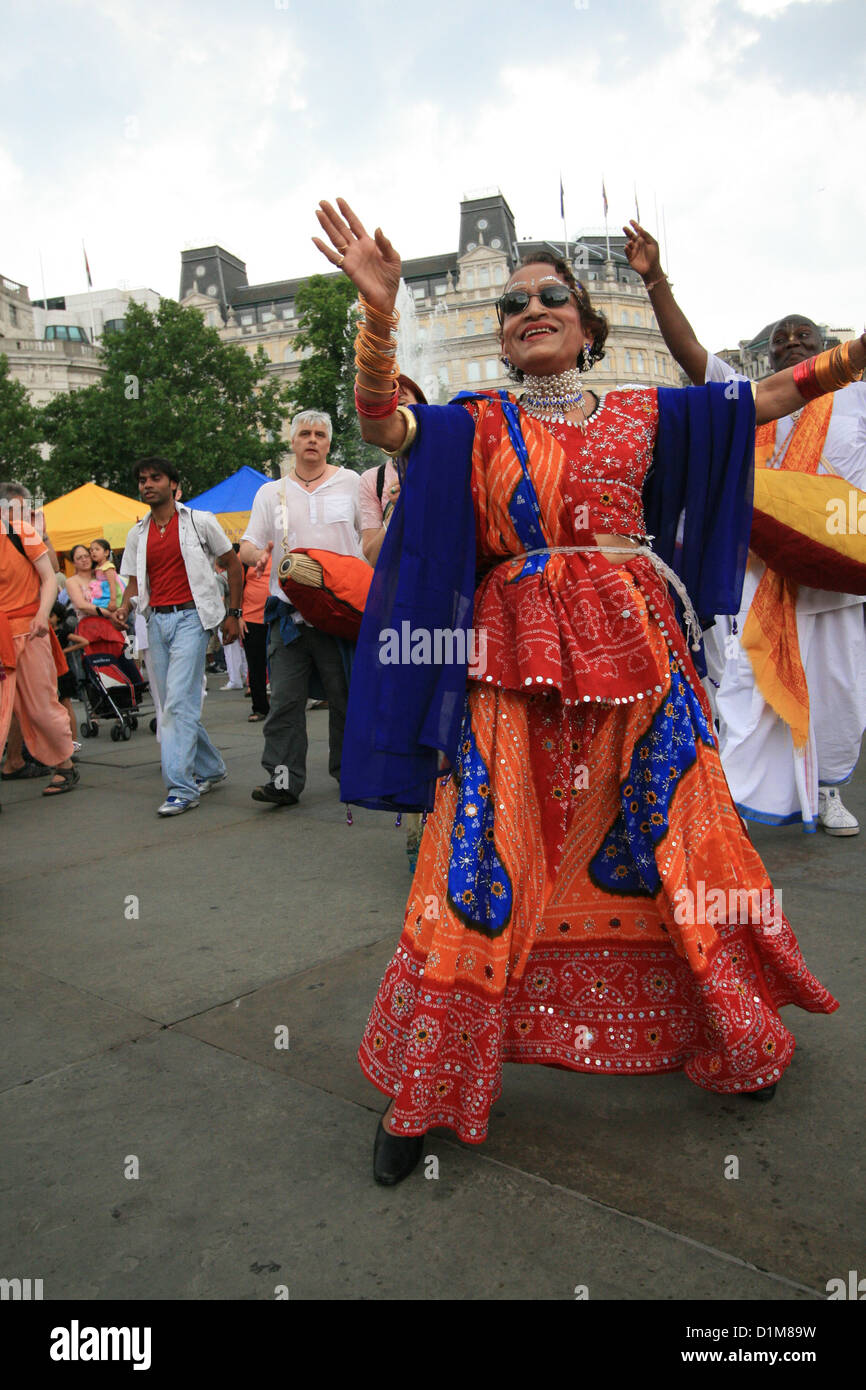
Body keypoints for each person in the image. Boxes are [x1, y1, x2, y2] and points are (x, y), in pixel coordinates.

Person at [312, 197, 858, 1185]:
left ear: (585, 324)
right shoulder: (469, 426)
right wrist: (378, 312)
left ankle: (735, 1034)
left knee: (681, 836)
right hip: (508, 654)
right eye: (513, 301)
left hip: (638, 651)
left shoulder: (651, 408)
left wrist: (858, 353)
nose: (529, 307)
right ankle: (431, 1082)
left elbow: (772, 397)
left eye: (549, 293)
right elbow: (377, 418)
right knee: (476, 851)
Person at [624, 222, 866, 836]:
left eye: (801, 336)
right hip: (756, 575)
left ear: (826, 344)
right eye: (780, 340)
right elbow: (689, 352)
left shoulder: (859, 400)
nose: (789, 344)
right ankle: (734, 797)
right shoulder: (746, 397)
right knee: (747, 693)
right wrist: (654, 281)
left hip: (834, 573)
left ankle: (829, 787)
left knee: (839, 696)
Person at [238, 409, 364, 806]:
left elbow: (373, 538)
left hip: (341, 614)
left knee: (346, 702)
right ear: (292, 442)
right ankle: (282, 781)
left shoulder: (352, 483)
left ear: (329, 443)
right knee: (285, 705)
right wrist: (257, 556)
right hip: (289, 617)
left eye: (320, 435)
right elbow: (246, 545)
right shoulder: (270, 493)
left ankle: (352, 776)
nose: (312, 440)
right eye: (305, 434)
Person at [113, 457, 243, 816]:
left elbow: (232, 564)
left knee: (177, 707)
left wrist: (234, 614)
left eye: (155, 478)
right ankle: (212, 767)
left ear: (173, 484)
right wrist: (125, 607)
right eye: (142, 480)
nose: (147, 484)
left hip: (192, 618)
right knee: (174, 703)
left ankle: (181, 788)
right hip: (156, 621)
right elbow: (136, 584)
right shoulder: (137, 533)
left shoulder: (199, 521)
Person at [0, 484, 79, 798]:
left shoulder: (22, 533)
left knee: (40, 708)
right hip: (3, 634)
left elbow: (50, 578)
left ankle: (65, 764)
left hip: (30, 631)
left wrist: (41, 615)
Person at [359, 375, 428, 567]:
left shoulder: (450, 464)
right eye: (385, 409)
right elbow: (372, 557)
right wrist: (397, 510)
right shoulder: (373, 480)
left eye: (403, 404)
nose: (395, 415)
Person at [241, 553, 271, 722]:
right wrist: (237, 616)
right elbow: (237, 584)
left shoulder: (282, 547)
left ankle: (284, 707)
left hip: (278, 618)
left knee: (283, 665)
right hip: (251, 619)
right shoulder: (245, 555)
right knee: (256, 666)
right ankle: (260, 707)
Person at [66, 544, 118, 617]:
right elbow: (81, 605)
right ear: (74, 563)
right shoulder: (72, 581)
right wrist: (109, 614)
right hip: (89, 624)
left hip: (113, 620)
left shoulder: (101, 574)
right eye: (79, 558)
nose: (84, 560)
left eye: (86, 556)